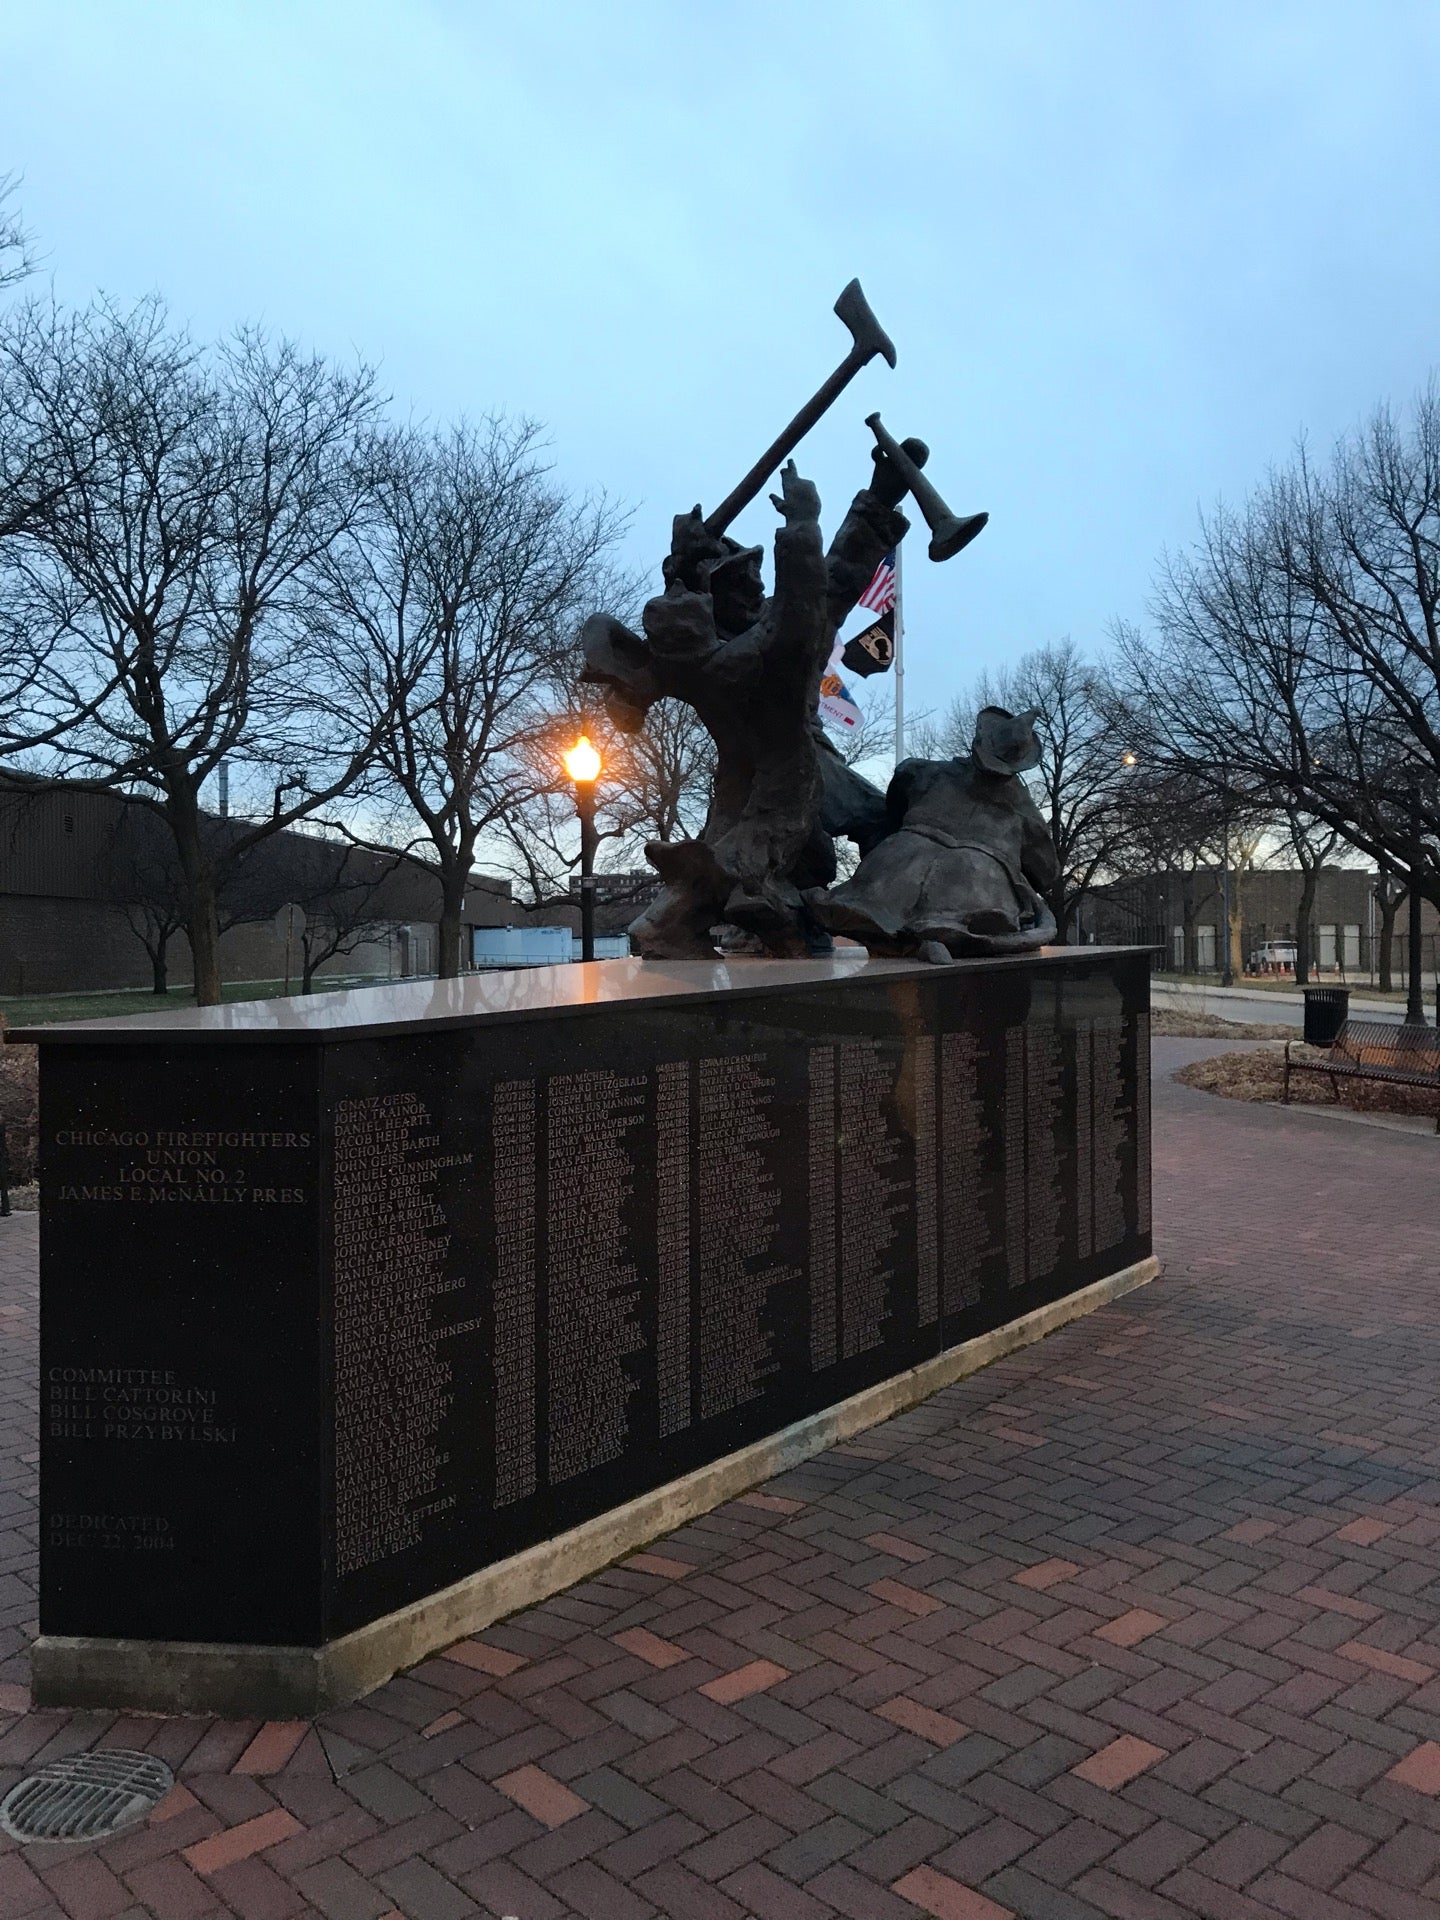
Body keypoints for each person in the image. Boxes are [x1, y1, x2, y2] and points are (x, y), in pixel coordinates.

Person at [580, 446, 914, 956]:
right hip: (795, 767)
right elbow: (823, 586)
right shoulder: (758, 643)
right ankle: (875, 920)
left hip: (755, 776)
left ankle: (778, 921)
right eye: (742, 578)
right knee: (874, 824)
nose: (756, 583)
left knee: (776, 863)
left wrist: (880, 495)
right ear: (716, 596)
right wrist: (816, 520)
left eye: (755, 573)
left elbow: (838, 576)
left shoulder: (700, 652)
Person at [808, 706, 1060, 959]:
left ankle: (903, 935)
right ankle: (940, 937)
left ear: (979, 741)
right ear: (1019, 764)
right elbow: (1046, 874)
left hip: (896, 865)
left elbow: (891, 814)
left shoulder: (920, 772)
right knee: (970, 910)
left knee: (868, 904)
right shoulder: (1026, 813)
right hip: (976, 884)